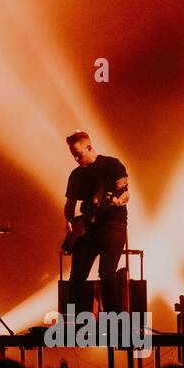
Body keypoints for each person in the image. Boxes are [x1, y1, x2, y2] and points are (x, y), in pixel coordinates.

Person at [61, 131, 129, 314]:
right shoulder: (76, 175)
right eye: (73, 154)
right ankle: (75, 323)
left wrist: (117, 201)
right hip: (87, 228)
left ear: (89, 147)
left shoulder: (111, 165)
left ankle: (114, 323)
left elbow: (125, 193)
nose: (76, 158)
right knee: (76, 277)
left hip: (113, 225)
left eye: (78, 153)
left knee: (107, 274)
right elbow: (70, 203)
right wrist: (68, 220)